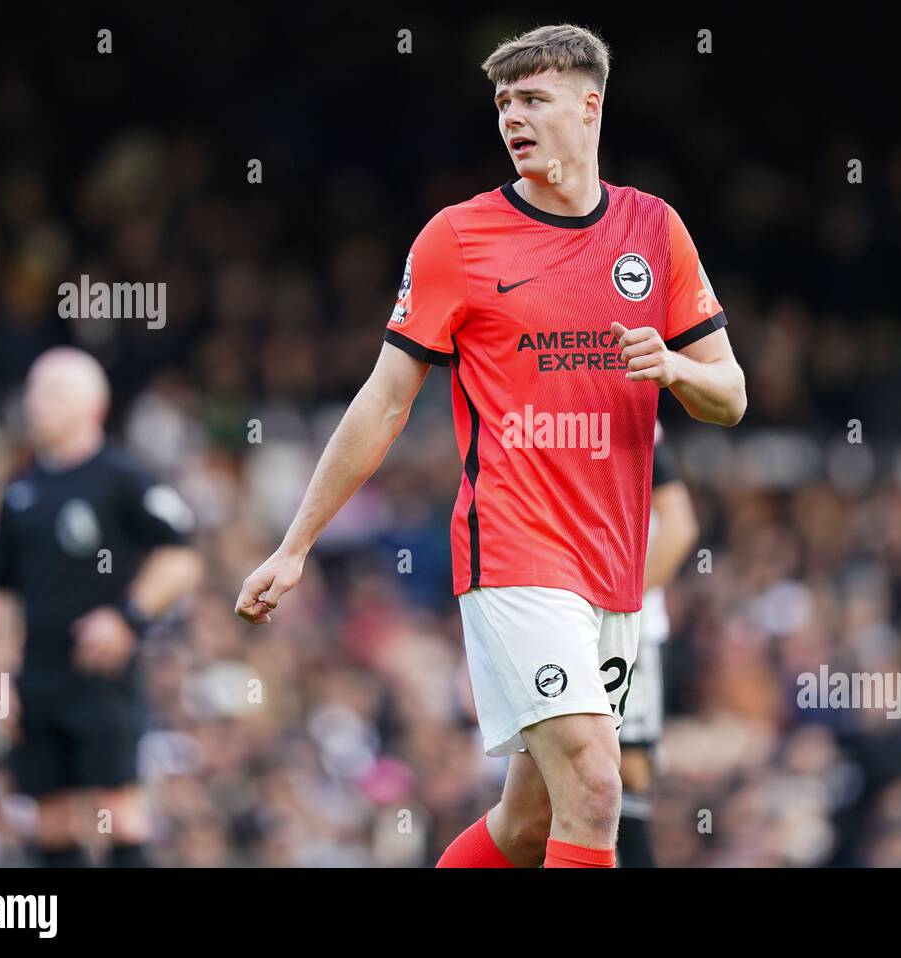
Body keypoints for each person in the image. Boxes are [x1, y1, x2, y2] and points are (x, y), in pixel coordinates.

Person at [235, 23, 745, 869]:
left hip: (612, 567)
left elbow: (731, 395)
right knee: (597, 784)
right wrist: (296, 545)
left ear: (590, 108)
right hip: (513, 549)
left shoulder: (655, 230)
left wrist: (677, 368)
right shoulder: (458, 239)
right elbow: (384, 400)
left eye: (534, 99)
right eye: (504, 102)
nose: (513, 117)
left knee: (531, 820)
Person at [0, 348, 202, 866]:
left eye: (52, 392)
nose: (36, 404)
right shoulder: (21, 490)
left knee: (119, 810)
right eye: (33, 391)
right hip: (38, 676)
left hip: (102, 676)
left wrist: (128, 617)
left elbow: (181, 556)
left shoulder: (121, 477)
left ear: (93, 404)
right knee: (49, 821)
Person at [617, 421, 698, 867]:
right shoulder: (539, 408)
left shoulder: (628, 407)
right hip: (564, 627)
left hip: (629, 637)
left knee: (626, 779)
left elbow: (680, 526)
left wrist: (620, 611)